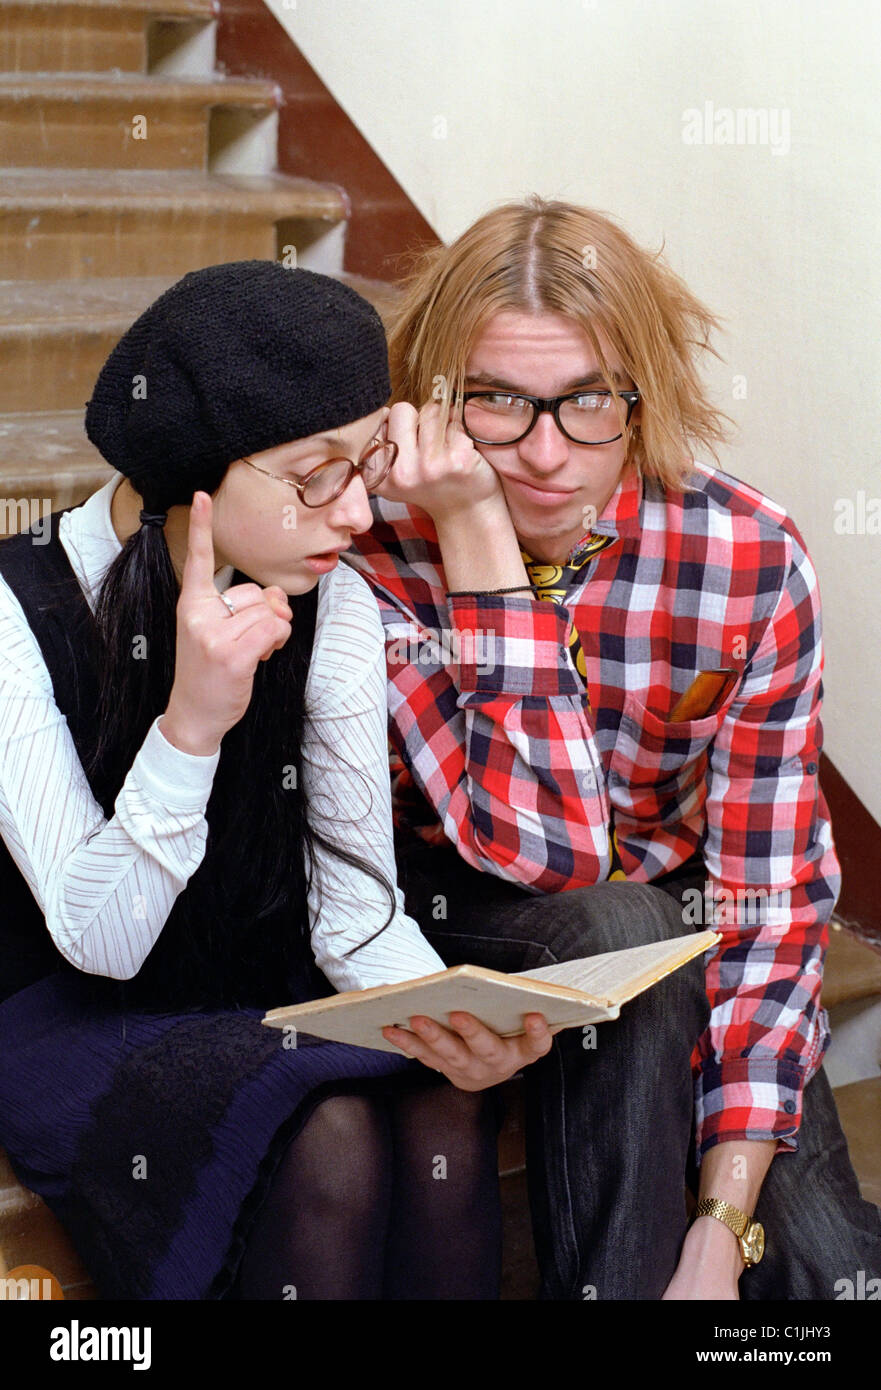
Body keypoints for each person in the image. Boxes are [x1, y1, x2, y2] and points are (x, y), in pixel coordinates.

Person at [344, 196, 881, 1300]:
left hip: (672, 917)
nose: (545, 454)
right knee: (618, 914)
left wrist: (718, 1221)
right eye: (496, 401)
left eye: (586, 400)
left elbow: (768, 894)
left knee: (825, 1271)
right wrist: (476, 535)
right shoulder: (372, 552)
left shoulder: (743, 559)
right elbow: (547, 856)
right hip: (454, 896)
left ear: (641, 397)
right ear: (435, 399)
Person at [0, 261, 555, 1301]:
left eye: (365, 464)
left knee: (443, 1101)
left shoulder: (329, 601)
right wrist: (191, 726)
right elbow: (99, 940)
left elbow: (352, 910)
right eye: (314, 475)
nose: (354, 514)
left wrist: (447, 1017)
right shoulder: (16, 609)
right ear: (194, 476)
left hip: (252, 982)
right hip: (73, 1009)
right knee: (333, 1133)